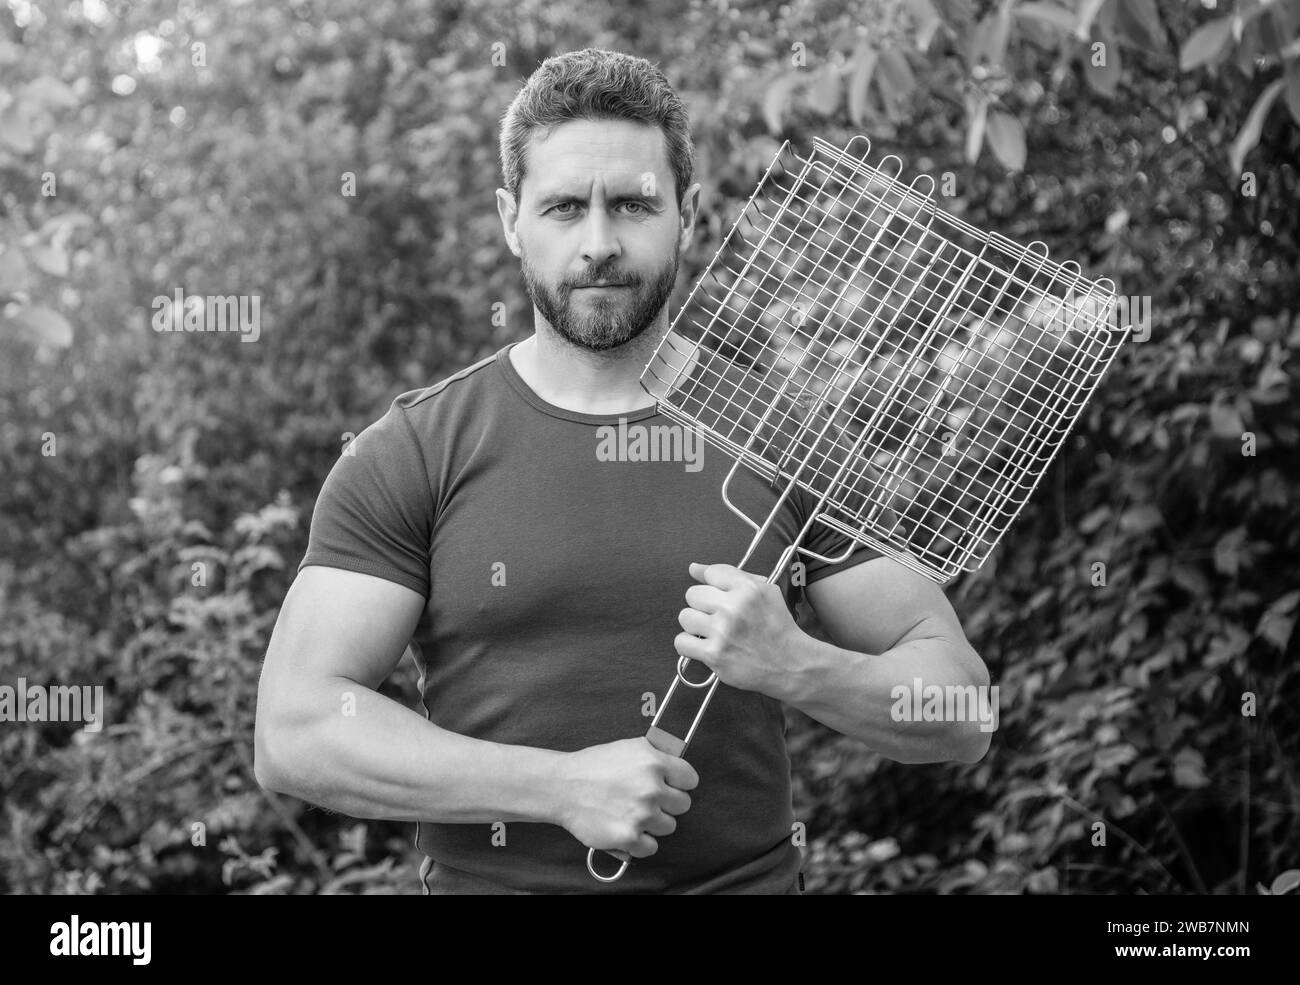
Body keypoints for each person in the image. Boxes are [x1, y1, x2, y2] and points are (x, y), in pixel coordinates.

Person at [253, 47, 991, 895]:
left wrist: (800, 666)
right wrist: (557, 787)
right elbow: (295, 730)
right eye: (565, 206)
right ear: (510, 219)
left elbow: (963, 711)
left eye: (633, 204)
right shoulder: (415, 451)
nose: (598, 243)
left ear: (688, 213)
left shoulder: (784, 435)